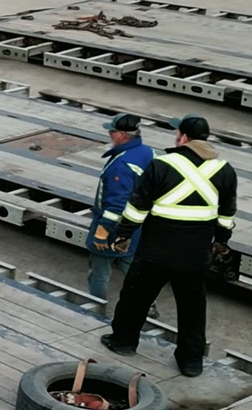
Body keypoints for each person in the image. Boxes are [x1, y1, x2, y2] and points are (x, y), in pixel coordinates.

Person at [101, 115, 237, 377]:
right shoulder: (224, 169)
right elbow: (227, 213)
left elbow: (137, 207)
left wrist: (123, 235)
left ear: (183, 137)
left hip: (156, 251)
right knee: (192, 310)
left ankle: (124, 342)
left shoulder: (162, 164)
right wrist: (221, 241)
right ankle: (191, 362)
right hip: (195, 255)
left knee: (135, 299)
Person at [87, 113, 150, 302]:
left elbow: (117, 202)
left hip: (114, 227)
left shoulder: (121, 165)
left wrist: (103, 229)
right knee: (131, 267)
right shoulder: (146, 152)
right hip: (134, 224)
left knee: (99, 271)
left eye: (112, 131)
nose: (109, 134)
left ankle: (94, 307)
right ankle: (149, 305)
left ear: (122, 135)